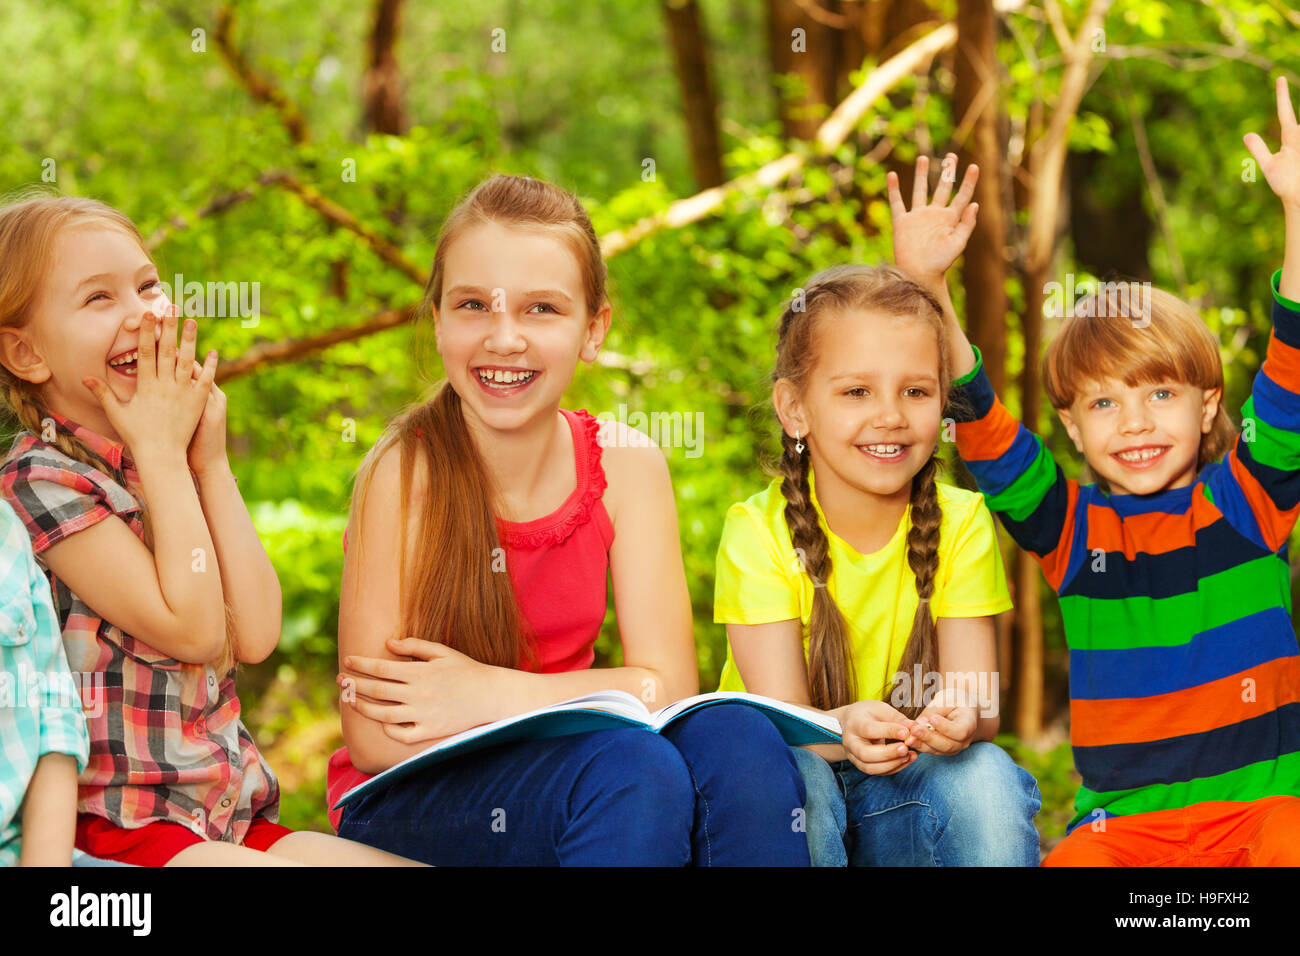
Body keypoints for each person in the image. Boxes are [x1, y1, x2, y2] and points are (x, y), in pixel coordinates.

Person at [329, 173, 810, 866]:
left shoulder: (627, 467)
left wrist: (489, 691)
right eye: (473, 305)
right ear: (436, 321)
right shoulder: (403, 476)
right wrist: (598, 695)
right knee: (630, 770)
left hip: (583, 763)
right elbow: (374, 737)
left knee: (737, 736)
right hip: (413, 794)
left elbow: (667, 687)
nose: (505, 338)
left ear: (593, 330)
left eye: (541, 310)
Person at [941, 77, 1300, 865]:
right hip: (1124, 835)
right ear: (1070, 426)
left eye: (1161, 394)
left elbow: (1290, 376)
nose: (1134, 422)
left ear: (1209, 407)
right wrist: (932, 287)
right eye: (1102, 405)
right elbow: (987, 434)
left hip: (1264, 817)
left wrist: (1297, 214)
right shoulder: (1073, 533)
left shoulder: (1249, 502)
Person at [0, 193, 419, 866]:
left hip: (226, 815)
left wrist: (210, 462)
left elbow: (254, 633)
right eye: (98, 299)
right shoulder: (41, 481)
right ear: (26, 353)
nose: (140, 313)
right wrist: (166, 456)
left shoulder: (164, 461)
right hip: (119, 824)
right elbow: (192, 631)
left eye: (147, 285)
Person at [712, 157, 1041, 866]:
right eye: (856, 392)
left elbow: (978, 702)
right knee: (799, 773)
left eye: (917, 393)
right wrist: (840, 729)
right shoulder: (757, 533)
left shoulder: (961, 522)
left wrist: (959, 720)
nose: (890, 417)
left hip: (904, 797)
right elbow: (779, 723)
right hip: (789, 809)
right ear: (795, 409)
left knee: (983, 776)